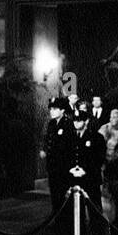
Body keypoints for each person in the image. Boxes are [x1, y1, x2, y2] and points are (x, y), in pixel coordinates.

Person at [68, 108, 106, 235]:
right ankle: (80, 234)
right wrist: (71, 169)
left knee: (94, 206)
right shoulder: (71, 137)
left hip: (90, 178)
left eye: (79, 121)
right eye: (75, 121)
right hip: (75, 177)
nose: (76, 123)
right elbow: (67, 155)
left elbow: (99, 158)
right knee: (77, 208)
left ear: (87, 121)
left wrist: (86, 170)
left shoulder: (96, 137)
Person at [41, 96, 76, 227]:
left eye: (55, 109)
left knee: (64, 194)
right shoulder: (52, 124)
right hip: (52, 165)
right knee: (55, 193)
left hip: (63, 166)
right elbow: (48, 140)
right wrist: (45, 150)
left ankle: (67, 221)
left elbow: (68, 146)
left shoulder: (67, 124)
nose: (52, 111)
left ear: (62, 110)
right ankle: (58, 219)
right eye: (51, 109)